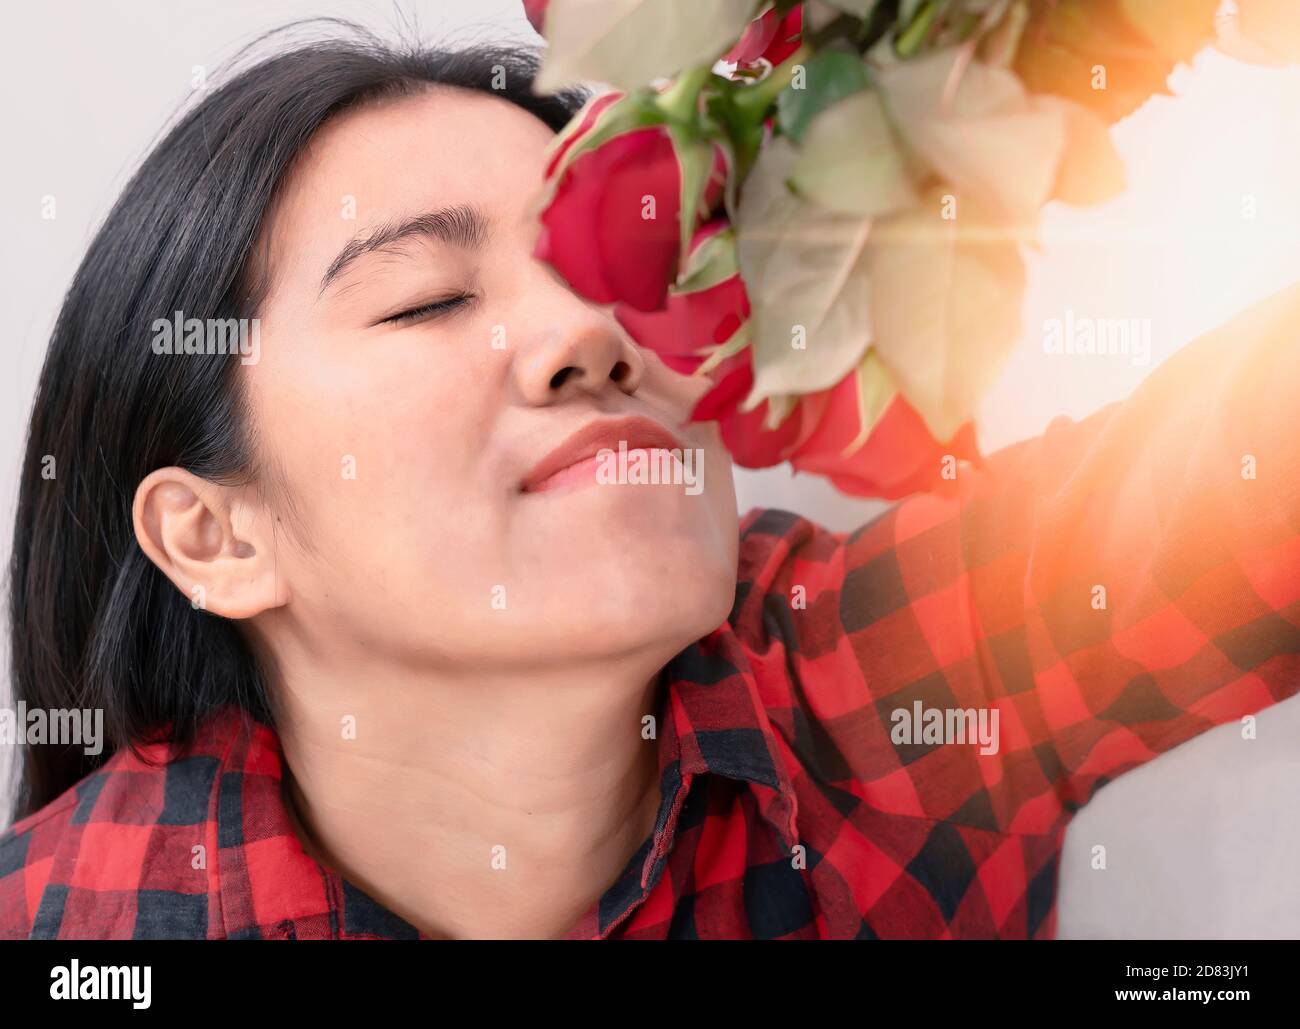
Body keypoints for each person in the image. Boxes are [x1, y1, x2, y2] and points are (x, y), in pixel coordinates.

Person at [1, 28, 1298, 940]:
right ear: (214, 533)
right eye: (430, 299)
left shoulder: (899, 697)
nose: (596, 334)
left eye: (627, 270)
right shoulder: (79, 918)